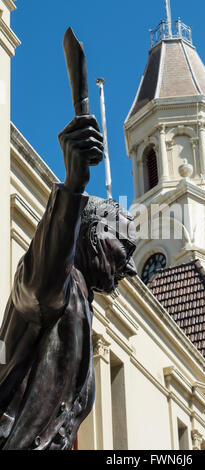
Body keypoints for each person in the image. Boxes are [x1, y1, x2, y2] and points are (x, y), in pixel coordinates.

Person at [0, 115, 136, 450]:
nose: (129, 266)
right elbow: (45, 274)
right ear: (93, 235)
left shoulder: (83, 304)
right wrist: (73, 186)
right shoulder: (52, 286)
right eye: (125, 246)